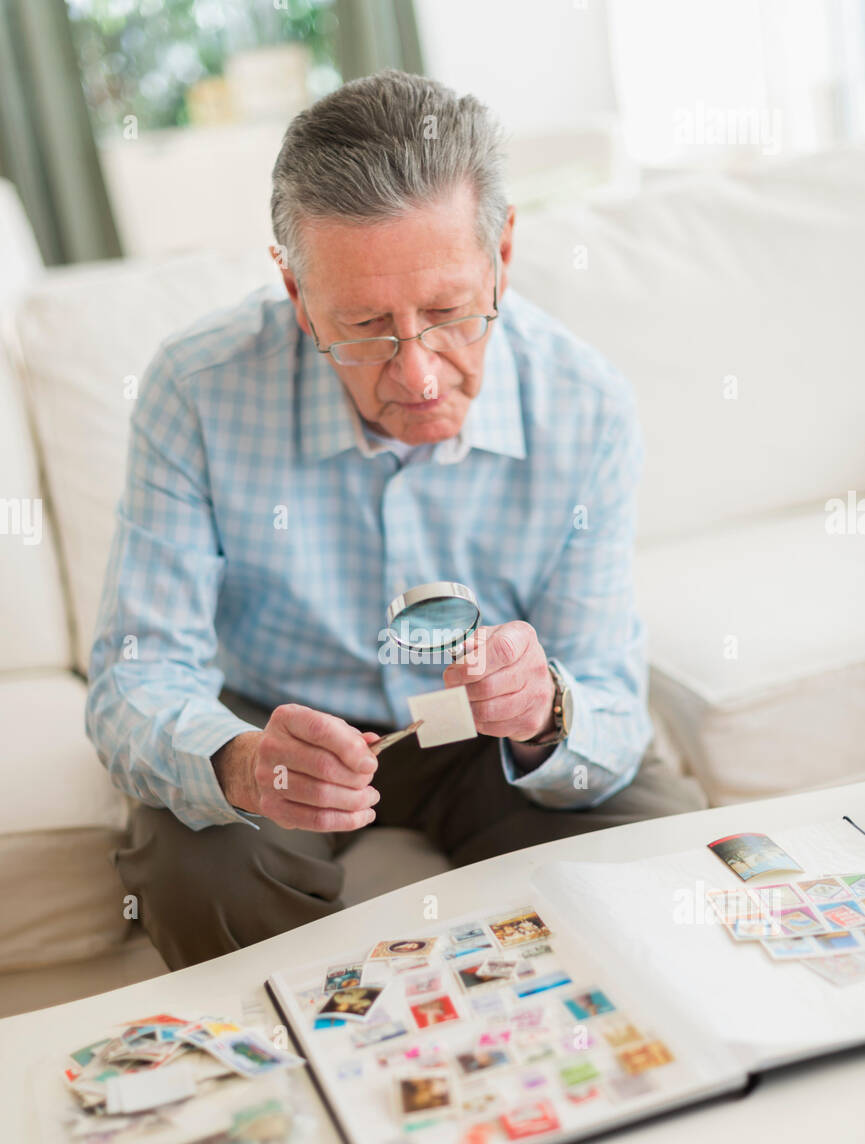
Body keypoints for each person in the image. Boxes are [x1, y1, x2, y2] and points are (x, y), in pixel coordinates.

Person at [86, 70, 705, 971]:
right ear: (296, 295)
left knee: (663, 856)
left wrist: (543, 709)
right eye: (365, 326)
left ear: (501, 252)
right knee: (194, 874)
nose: (416, 376)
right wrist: (242, 763)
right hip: (271, 724)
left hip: (482, 737)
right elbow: (134, 672)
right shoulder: (195, 389)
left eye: (450, 314)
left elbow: (608, 696)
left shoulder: (587, 404)